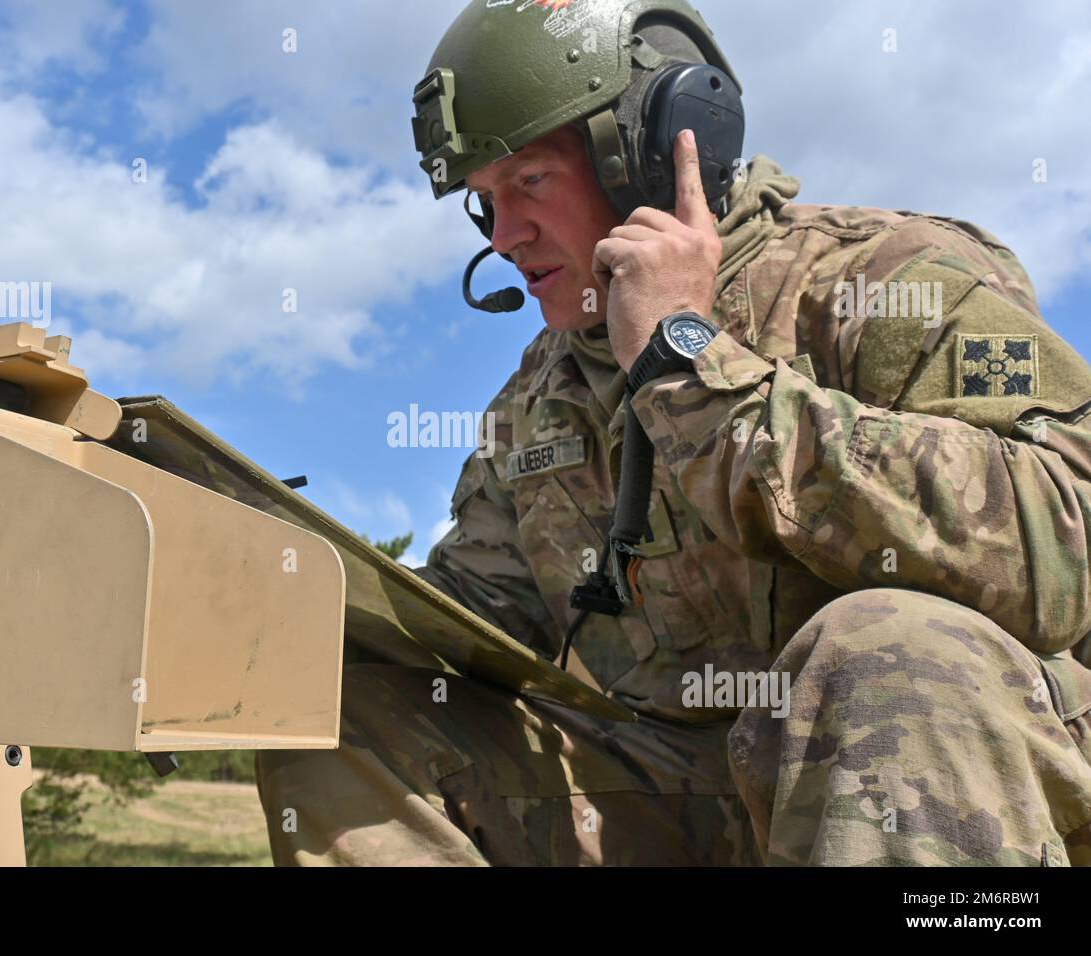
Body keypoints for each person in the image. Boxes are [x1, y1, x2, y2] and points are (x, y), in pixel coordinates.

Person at [256, 0, 1091, 866]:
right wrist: (273, 581)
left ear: (653, 151)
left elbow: (1067, 539)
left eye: (528, 182)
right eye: (484, 205)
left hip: (936, 773)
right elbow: (481, 624)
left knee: (884, 654)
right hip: (692, 796)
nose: (504, 238)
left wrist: (691, 368)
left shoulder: (890, 278)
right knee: (350, 717)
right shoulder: (542, 395)